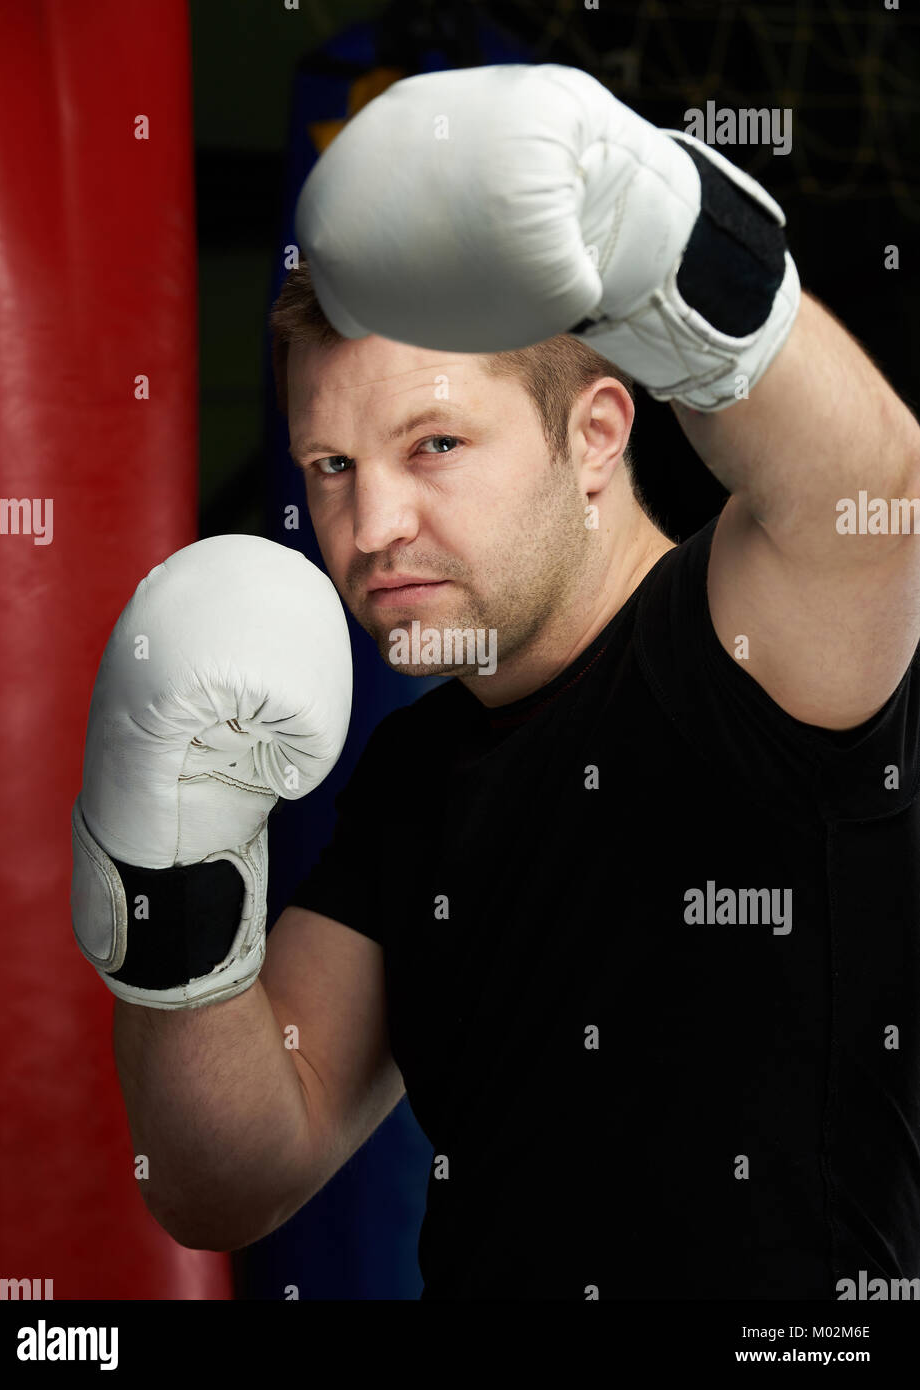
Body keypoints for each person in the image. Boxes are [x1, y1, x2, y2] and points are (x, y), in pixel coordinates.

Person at [73, 64, 920, 1300]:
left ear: (594, 436)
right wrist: (165, 883)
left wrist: (671, 240)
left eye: (434, 445)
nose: (370, 524)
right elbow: (223, 1175)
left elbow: (876, 503)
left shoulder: (745, 648)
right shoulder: (419, 772)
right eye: (331, 462)